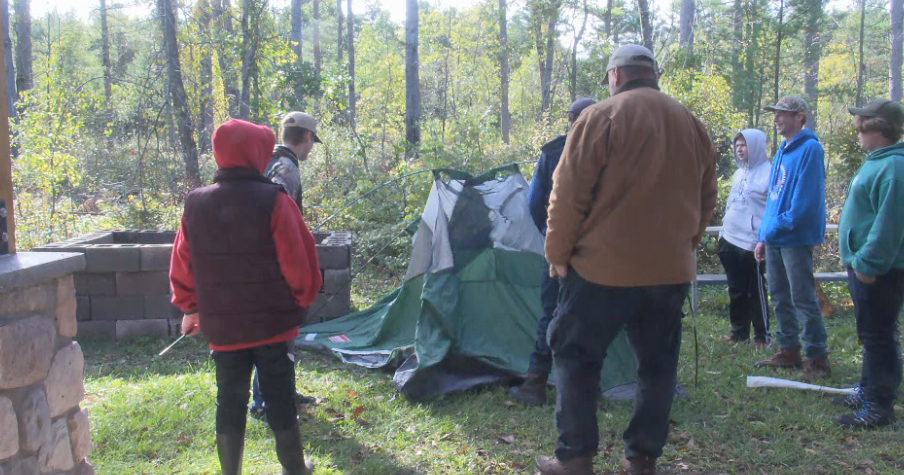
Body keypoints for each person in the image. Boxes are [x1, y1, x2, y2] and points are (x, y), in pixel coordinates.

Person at [535, 45, 717, 475]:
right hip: (668, 271)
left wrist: (557, 255)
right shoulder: (691, 123)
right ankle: (642, 459)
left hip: (601, 271)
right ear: (652, 75)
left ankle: (575, 459)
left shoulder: (600, 117)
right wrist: (685, 244)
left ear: (615, 76)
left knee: (577, 358)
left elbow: (567, 194)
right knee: (657, 367)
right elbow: (707, 196)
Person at [170, 119, 323, 475]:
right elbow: (300, 260)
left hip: (223, 329)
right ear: (257, 153)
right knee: (280, 398)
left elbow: (182, 263)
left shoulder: (195, 203)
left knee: (231, 400)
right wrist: (302, 299)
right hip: (273, 325)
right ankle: (295, 468)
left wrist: (190, 308)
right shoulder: (275, 201)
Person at [509, 97, 597, 405]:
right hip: (598, 248)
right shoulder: (612, 149)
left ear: (570, 119)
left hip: (558, 243)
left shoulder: (552, 152)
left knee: (552, 312)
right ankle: (587, 388)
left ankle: (535, 384)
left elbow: (535, 204)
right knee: (592, 315)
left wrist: (548, 234)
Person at [832, 98, 904, 429]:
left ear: (878, 128)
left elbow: (889, 224)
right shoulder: (878, 161)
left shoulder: (895, 168)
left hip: (879, 270)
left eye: (861, 125)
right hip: (865, 266)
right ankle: (867, 389)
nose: (856, 131)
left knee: (878, 335)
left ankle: (879, 406)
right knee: (870, 333)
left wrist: (868, 263)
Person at [250, 111, 322, 423]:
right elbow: (274, 215)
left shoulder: (265, 160)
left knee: (283, 336)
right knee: (274, 337)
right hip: (274, 266)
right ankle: (265, 402)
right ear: (306, 138)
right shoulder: (287, 169)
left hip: (261, 264)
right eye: (312, 142)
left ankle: (284, 392)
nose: (311, 148)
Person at [753, 96, 830, 380]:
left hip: (795, 237)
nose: (776, 119)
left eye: (782, 114)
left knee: (802, 298)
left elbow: (804, 205)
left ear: (799, 117)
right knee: (780, 297)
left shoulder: (811, 149)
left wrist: (774, 230)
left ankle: (817, 357)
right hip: (774, 238)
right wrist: (763, 236)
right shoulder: (782, 152)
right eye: (775, 114)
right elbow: (773, 200)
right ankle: (788, 349)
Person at [718, 129, 771, 346]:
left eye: (744, 144)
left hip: (752, 242)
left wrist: (764, 238)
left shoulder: (769, 173)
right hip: (730, 239)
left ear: (756, 146)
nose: (740, 149)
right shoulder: (738, 174)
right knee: (736, 289)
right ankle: (739, 332)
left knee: (755, 291)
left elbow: (772, 209)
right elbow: (731, 203)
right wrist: (722, 231)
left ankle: (761, 336)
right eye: (737, 145)